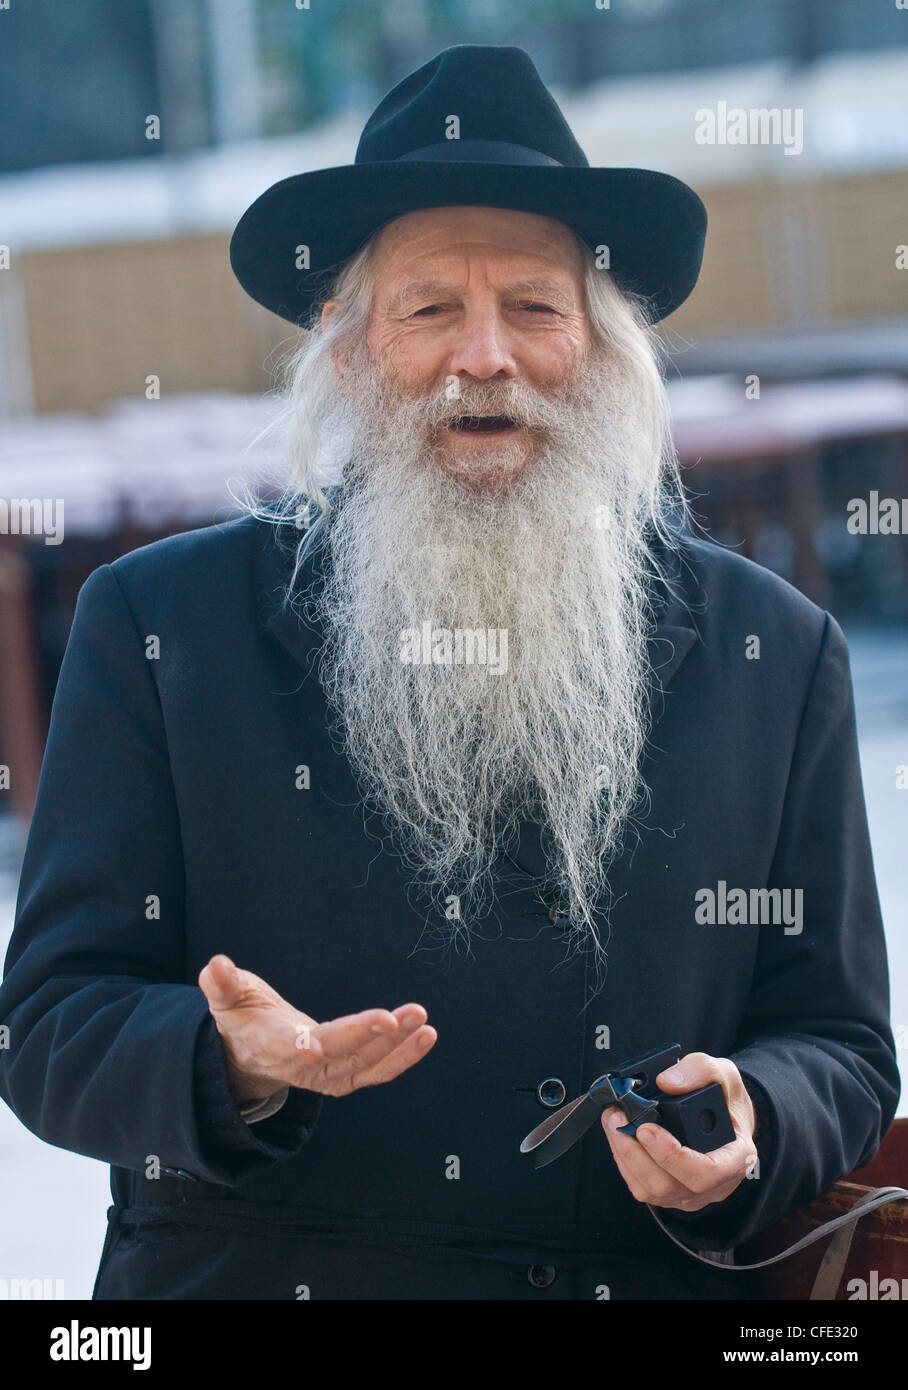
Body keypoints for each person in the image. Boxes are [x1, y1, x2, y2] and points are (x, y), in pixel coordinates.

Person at [0, 44, 898, 1301]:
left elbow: (844, 1045)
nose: (485, 356)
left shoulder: (773, 649)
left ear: (599, 344)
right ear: (351, 347)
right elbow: (49, 1028)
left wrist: (752, 1118)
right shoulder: (162, 623)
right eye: (428, 309)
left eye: (533, 306)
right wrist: (231, 1061)